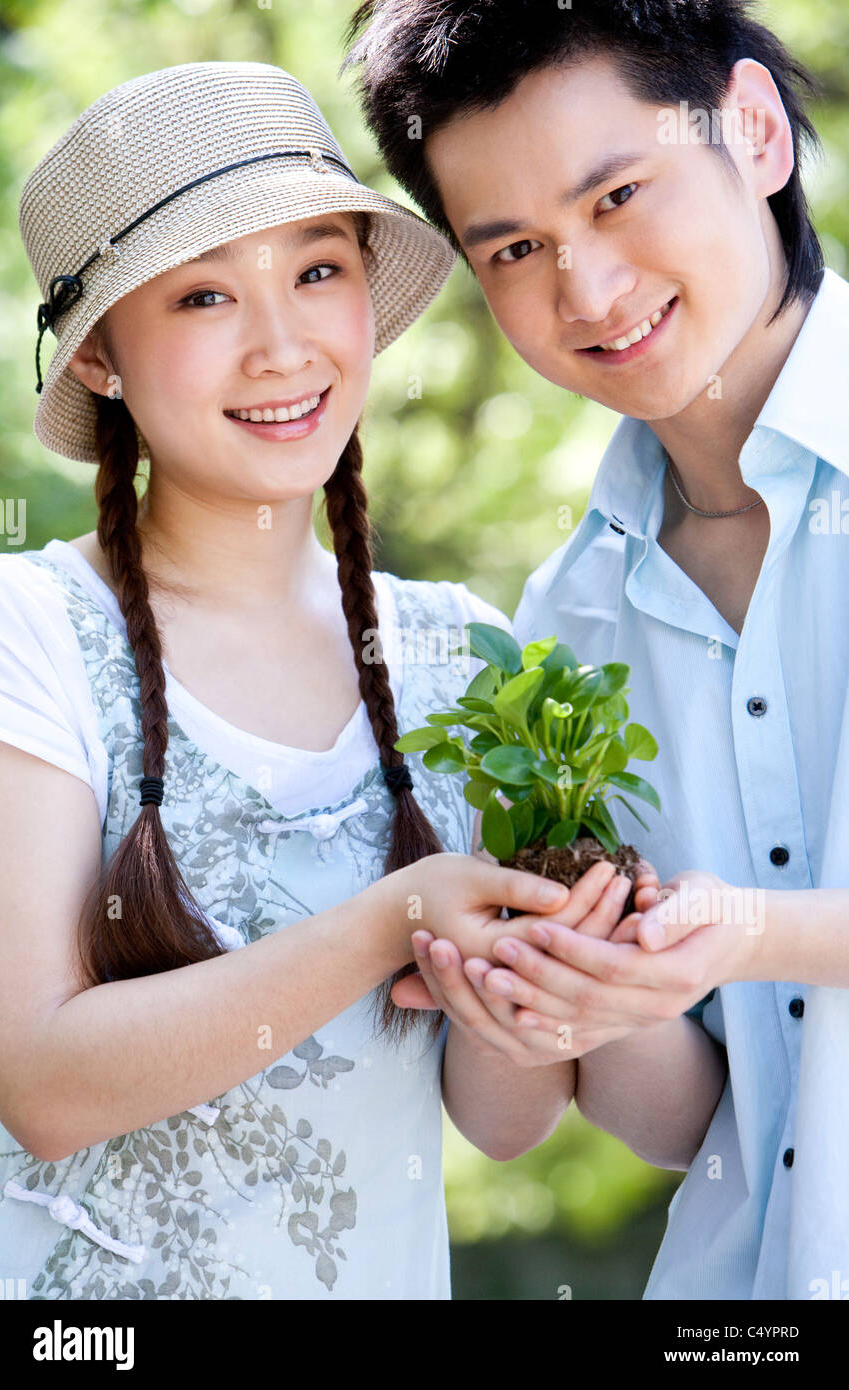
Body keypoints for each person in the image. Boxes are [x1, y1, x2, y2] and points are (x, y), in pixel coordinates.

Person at [0, 59, 648, 1301]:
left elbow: (503, 1124)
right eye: (200, 299)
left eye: (317, 270)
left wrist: (553, 962)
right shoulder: (22, 632)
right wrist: (392, 915)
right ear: (98, 362)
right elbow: (46, 1085)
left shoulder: (457, 655)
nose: (282, 345)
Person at [346, 0, 849, 1299]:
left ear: (751, 131)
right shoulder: (571, 618)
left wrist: (747, 930)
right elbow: (694, 1125)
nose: (583, 287)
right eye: (512, 246)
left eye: (617, 193)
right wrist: (583, 996)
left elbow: (745, 942)